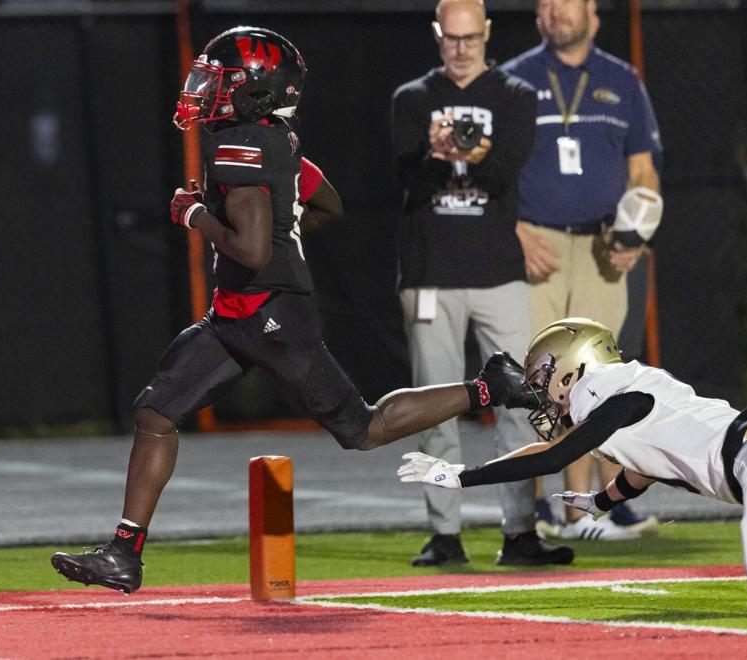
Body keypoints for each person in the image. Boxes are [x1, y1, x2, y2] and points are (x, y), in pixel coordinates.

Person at [50, 25, 536, 595]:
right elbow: (327, 204)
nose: (204, 87)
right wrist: (287, 222)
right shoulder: (273, 135)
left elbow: (252, 250)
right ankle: (124, 554)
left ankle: (489, 387)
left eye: (220, 79)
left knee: (361, 428)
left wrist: (195, 216)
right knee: (156, 412)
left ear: (253, 89)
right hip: (238, 314)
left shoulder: (240, 144)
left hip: (270, 315)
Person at [399, 317, 747, 614]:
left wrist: (459, 474)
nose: (541, 396)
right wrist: (599, 501)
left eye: (544, 380)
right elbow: (644, 468)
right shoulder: (639, 387)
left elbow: (555, 455)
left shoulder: (613, 398)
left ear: (572, 371)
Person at [389, 0, 572, 568]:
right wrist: (437, 156)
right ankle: (444, 533)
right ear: (438, 34)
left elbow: (501, 173)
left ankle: (519, 531)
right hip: (431, 276)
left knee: (521, 402)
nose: (462, 48)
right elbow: (409, 184)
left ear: (487, 33)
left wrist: (463, 147)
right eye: (452, 38)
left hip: (498, 273)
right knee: (434, 407)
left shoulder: (515, 95)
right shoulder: (412, 98)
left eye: (471, 37)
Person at [501, 0, 663, 540]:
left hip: (602, 244)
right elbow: (494, 169)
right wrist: (517, 232)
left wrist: (635, 234)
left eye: (566, 1)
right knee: (540, 380)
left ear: (594, 13)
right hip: (538, 244)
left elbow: (643, 170)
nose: (555, 10)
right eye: (545, 3)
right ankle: (544, 506)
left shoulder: (623, 79)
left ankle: (596, 504)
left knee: (601, 380)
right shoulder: (515, 78)